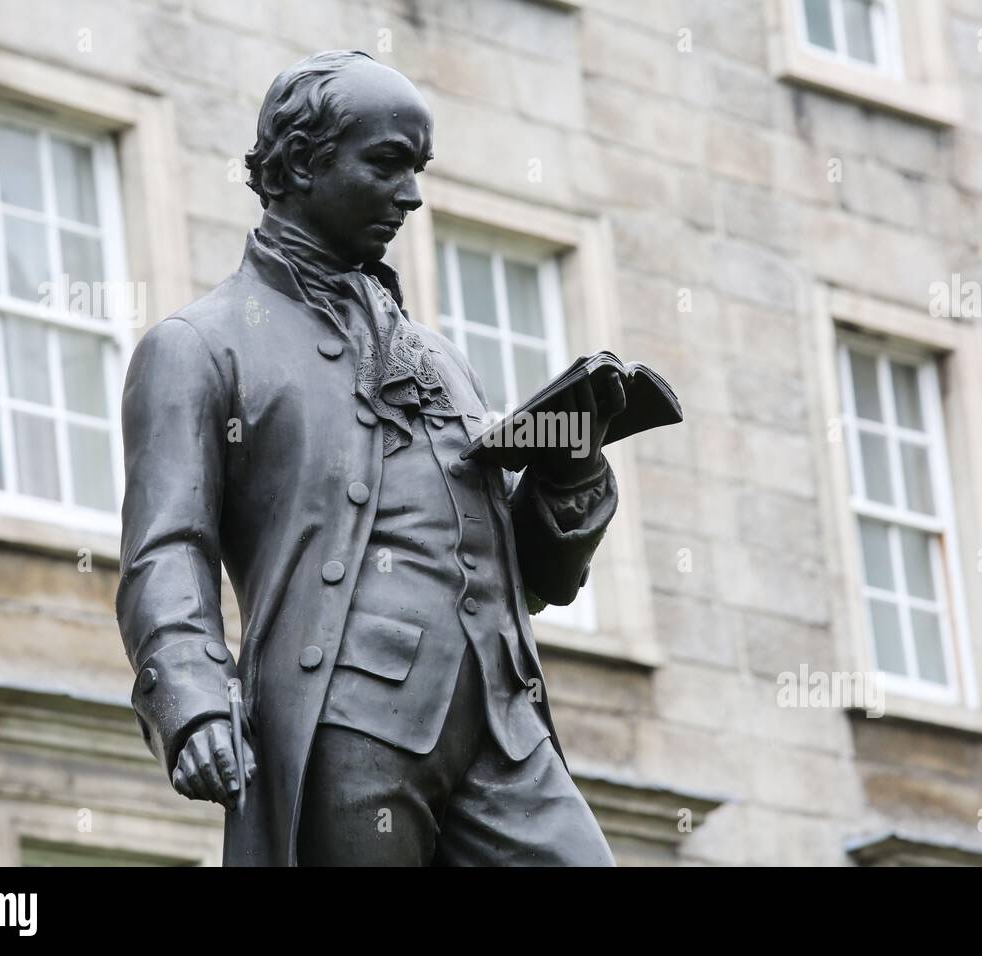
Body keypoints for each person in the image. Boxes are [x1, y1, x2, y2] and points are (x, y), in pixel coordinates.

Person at [116, 50, 626, 865]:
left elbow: (528, 578)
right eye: (387, 164)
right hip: (350, 722)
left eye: (417, 168)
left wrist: (572, 464)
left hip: (504, 722)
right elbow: (168, 547)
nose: (412, 194)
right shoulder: (200, 346)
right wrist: (192, 695)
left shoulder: (439, 358)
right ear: (299, 164)